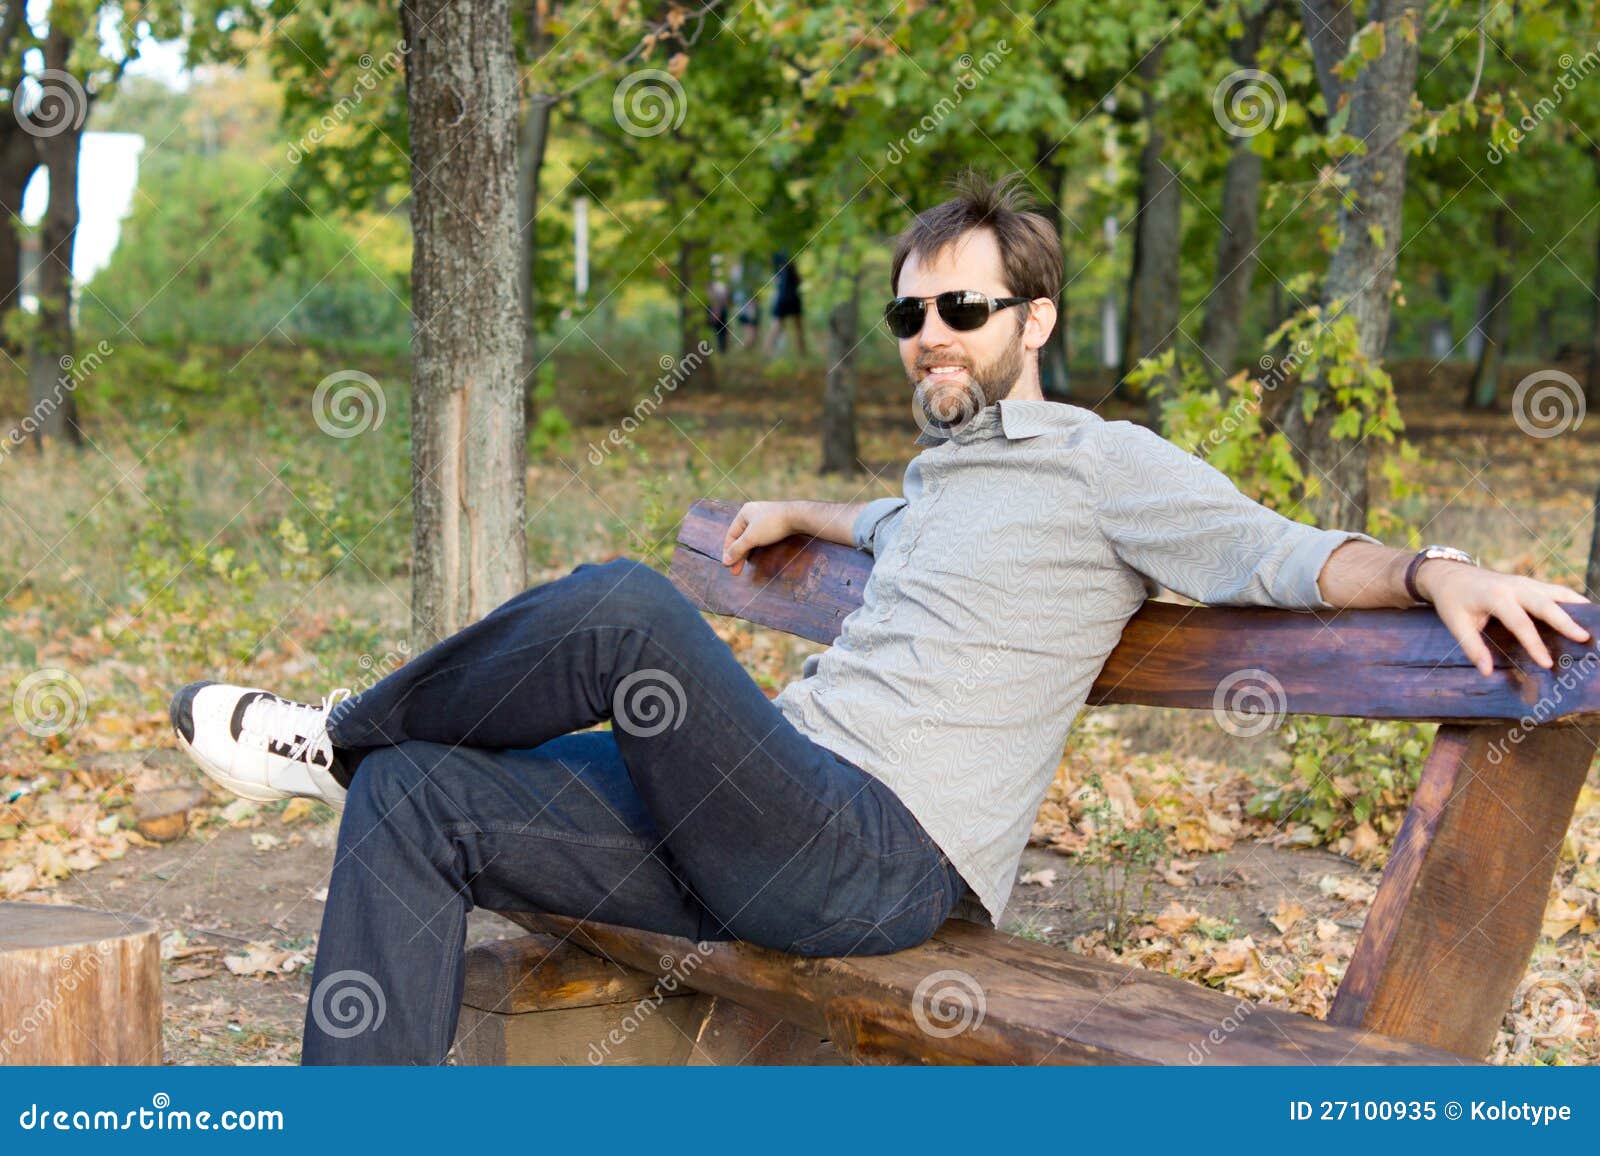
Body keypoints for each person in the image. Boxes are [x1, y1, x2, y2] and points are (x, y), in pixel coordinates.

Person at [168, 170, 1592, 1065]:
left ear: (1034, 321)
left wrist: (1434, 568)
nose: (930, 337)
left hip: (873, 859)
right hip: (757, 824)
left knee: (616, 611)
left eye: (961, 309)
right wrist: (807, 510)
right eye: (911, 316)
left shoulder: (1108, 464)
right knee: (419, 803)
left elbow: (1283, 554)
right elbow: (894, 526)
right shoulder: (944, 475)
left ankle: (338, 737)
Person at [762, 248, 806, 356]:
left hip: (782, 296)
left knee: (777, 325)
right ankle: (802, 353)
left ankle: (766, 352)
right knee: (797, 327)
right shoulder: (789, 256)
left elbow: (776, 278)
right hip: (791, 296)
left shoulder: (775, 258)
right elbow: (798, 279)